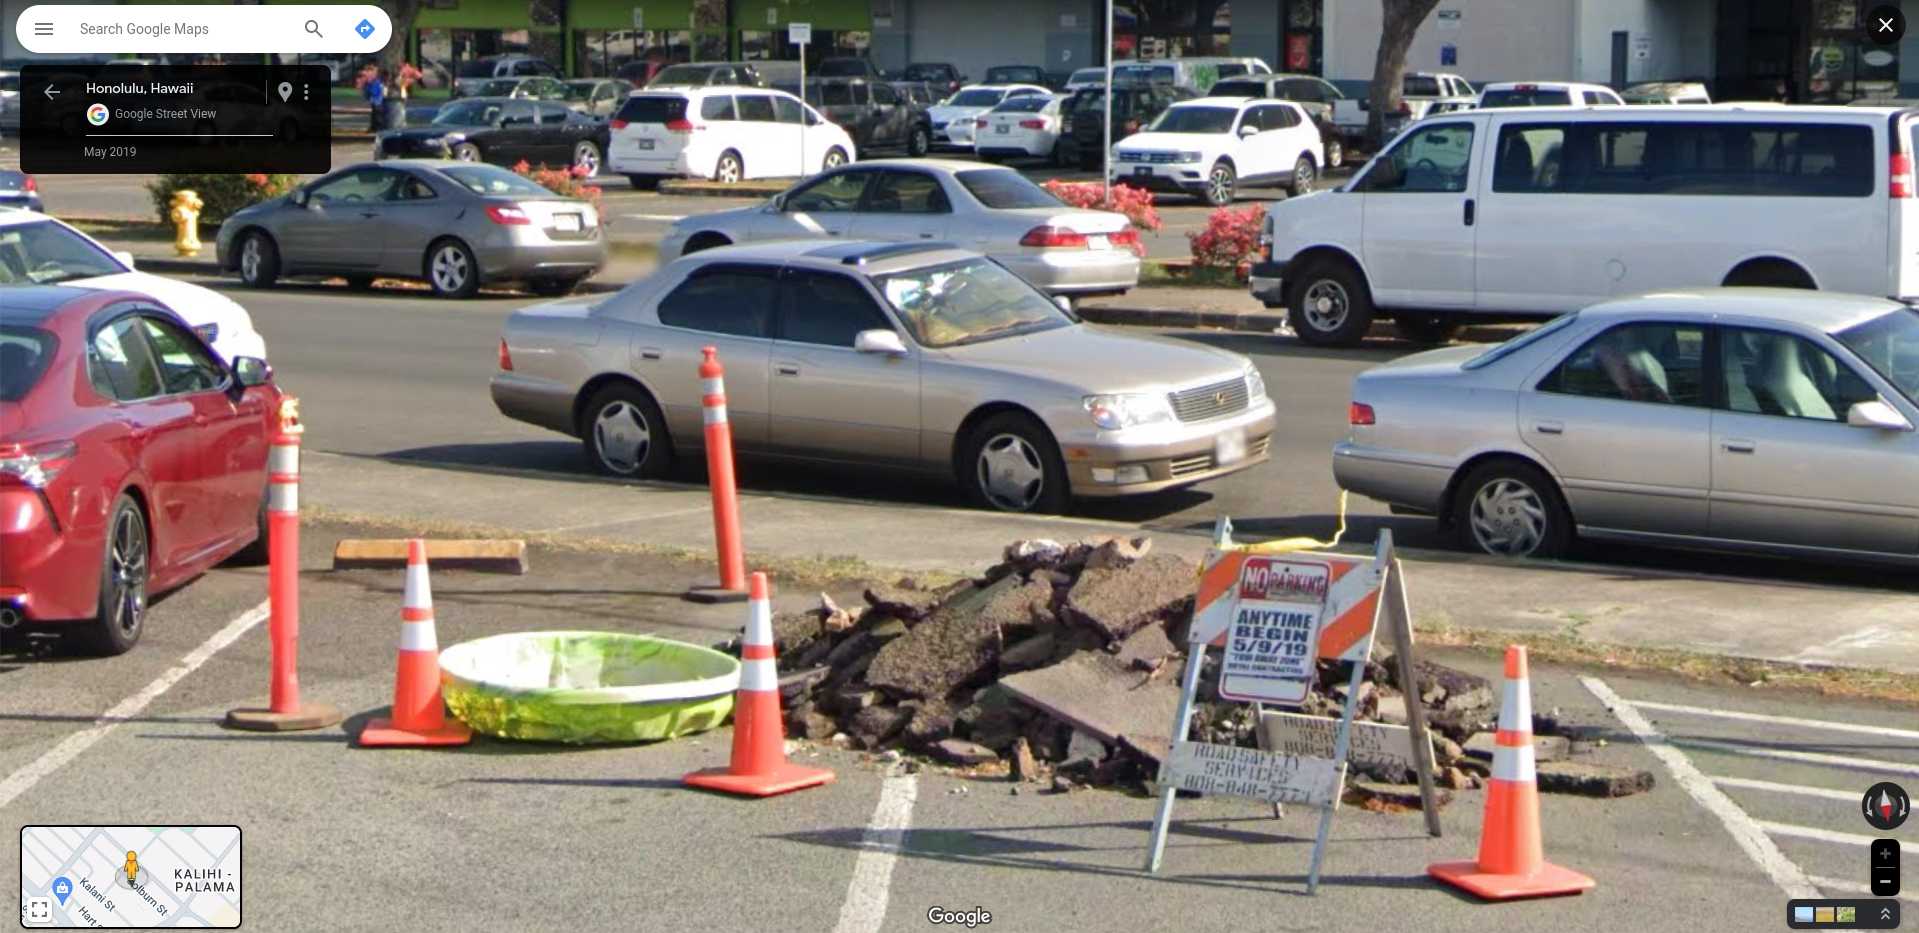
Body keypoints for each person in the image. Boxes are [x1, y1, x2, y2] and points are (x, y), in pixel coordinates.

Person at [363, 65, 386, 132]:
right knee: (374, 115)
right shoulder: (373, 82)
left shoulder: (376, 82)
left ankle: (377, 128)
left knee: (377, 116)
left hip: (377, 102)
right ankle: (374, 127)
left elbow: (373, 92)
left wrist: (367, 87)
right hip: (375, 102)